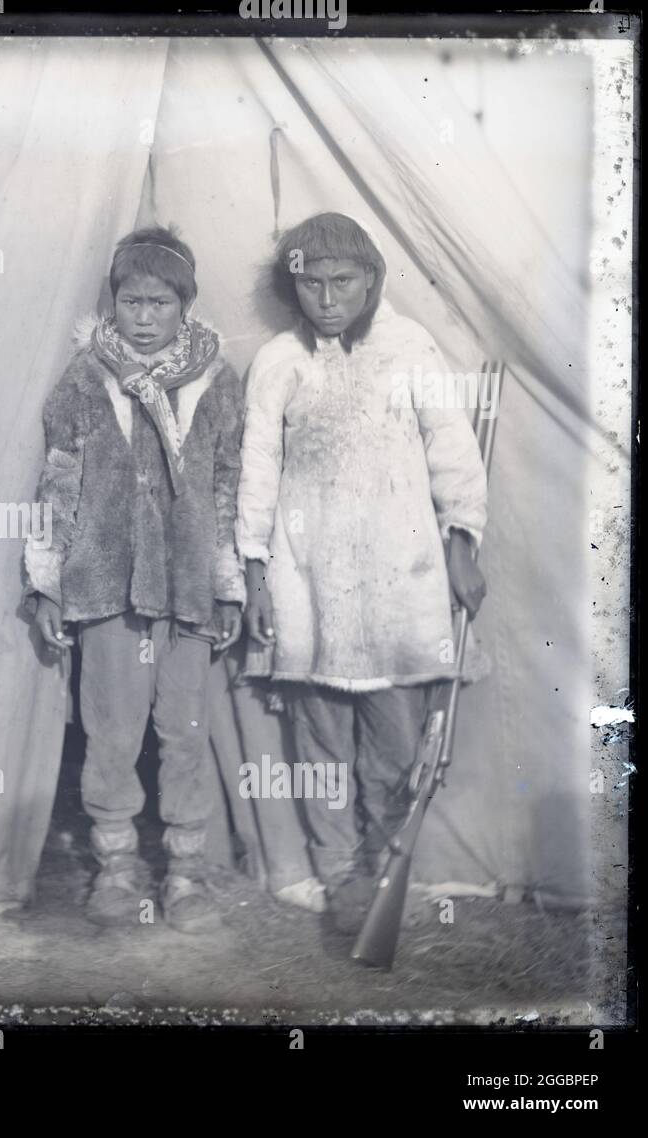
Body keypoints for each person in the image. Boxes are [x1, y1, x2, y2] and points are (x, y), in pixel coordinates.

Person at [237, 212, 489, 934]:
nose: (326, 297)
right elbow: (257, 470)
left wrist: (462, 541)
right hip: (305, 580)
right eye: (311, 283)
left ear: (372, 279)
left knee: (395, 746)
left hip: (399, 580)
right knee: (318, 745)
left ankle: (385, 865)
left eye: (342, 281)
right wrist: (254, 573)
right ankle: (338, 872)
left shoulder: (411, 349)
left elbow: (452, 449)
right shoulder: (280, 361)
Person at [24, 226, 245, 933]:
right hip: (107, 586)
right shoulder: (87, 379)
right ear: (113, 301)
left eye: (159, 302)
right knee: (112, 732)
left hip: (186, 591)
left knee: (183, 729)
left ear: (186, 304)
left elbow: (227, 486)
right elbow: (58, 482)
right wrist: (48, 581)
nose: (143, 316)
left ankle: (186, 872)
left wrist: (228, 581)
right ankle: (117, 865)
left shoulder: (216, 383)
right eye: (130, 300)